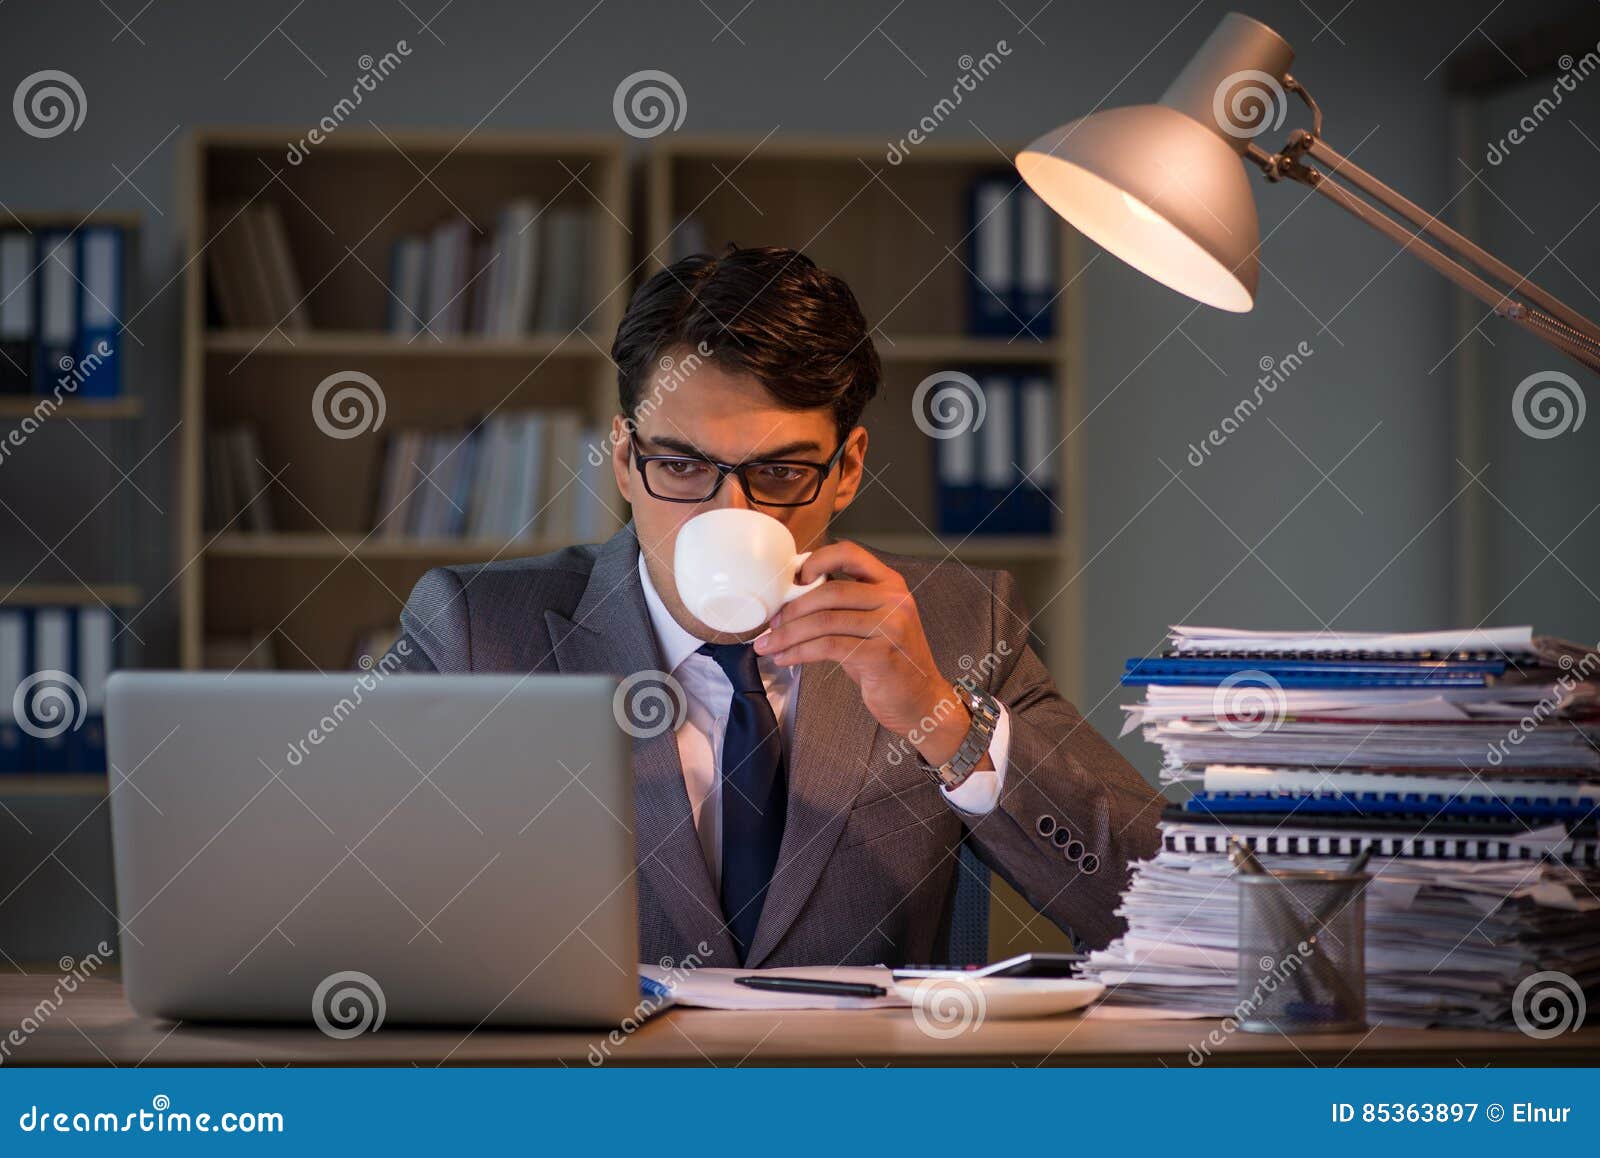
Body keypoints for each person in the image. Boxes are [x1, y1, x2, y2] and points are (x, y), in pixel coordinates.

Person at [386, 245, 1163, 968]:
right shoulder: (477, 632)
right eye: (682, 466)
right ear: (625, 460)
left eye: (783, 472)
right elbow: (359, 913)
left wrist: (943, 719)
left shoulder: (958, 626)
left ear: (847, 468)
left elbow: (1163, 910)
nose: (735, 512)